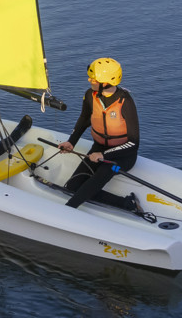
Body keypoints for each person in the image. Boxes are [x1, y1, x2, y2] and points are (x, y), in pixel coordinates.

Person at [58, 57, 140, 211]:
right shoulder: (90, 95)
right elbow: (84, 119)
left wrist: (104, 156)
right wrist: (71, 142)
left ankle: (67, 210)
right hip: (98, 149)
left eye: (93, 78)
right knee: (72, 186)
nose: (89, 80)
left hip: (121, 156)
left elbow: (134, 143)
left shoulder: (126, 102)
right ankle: (127, 203)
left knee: (94, 181)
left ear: (106, 82)